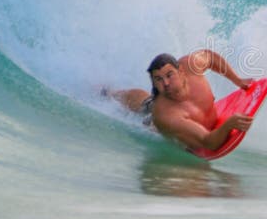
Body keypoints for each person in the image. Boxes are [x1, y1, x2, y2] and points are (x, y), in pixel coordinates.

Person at [108, 50, 254, 152]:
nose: (165, 83)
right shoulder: (166, 115)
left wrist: (237, 80)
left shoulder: (191, 65)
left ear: (181, 71)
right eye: (158, 79)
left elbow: (210, 57)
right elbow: (208, 143)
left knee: (148, 102)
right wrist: (228, 125)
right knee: (147, 107)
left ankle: (111, 92)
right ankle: (110, 93)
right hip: (160, 118)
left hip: (168, 109)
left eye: (169, 75)